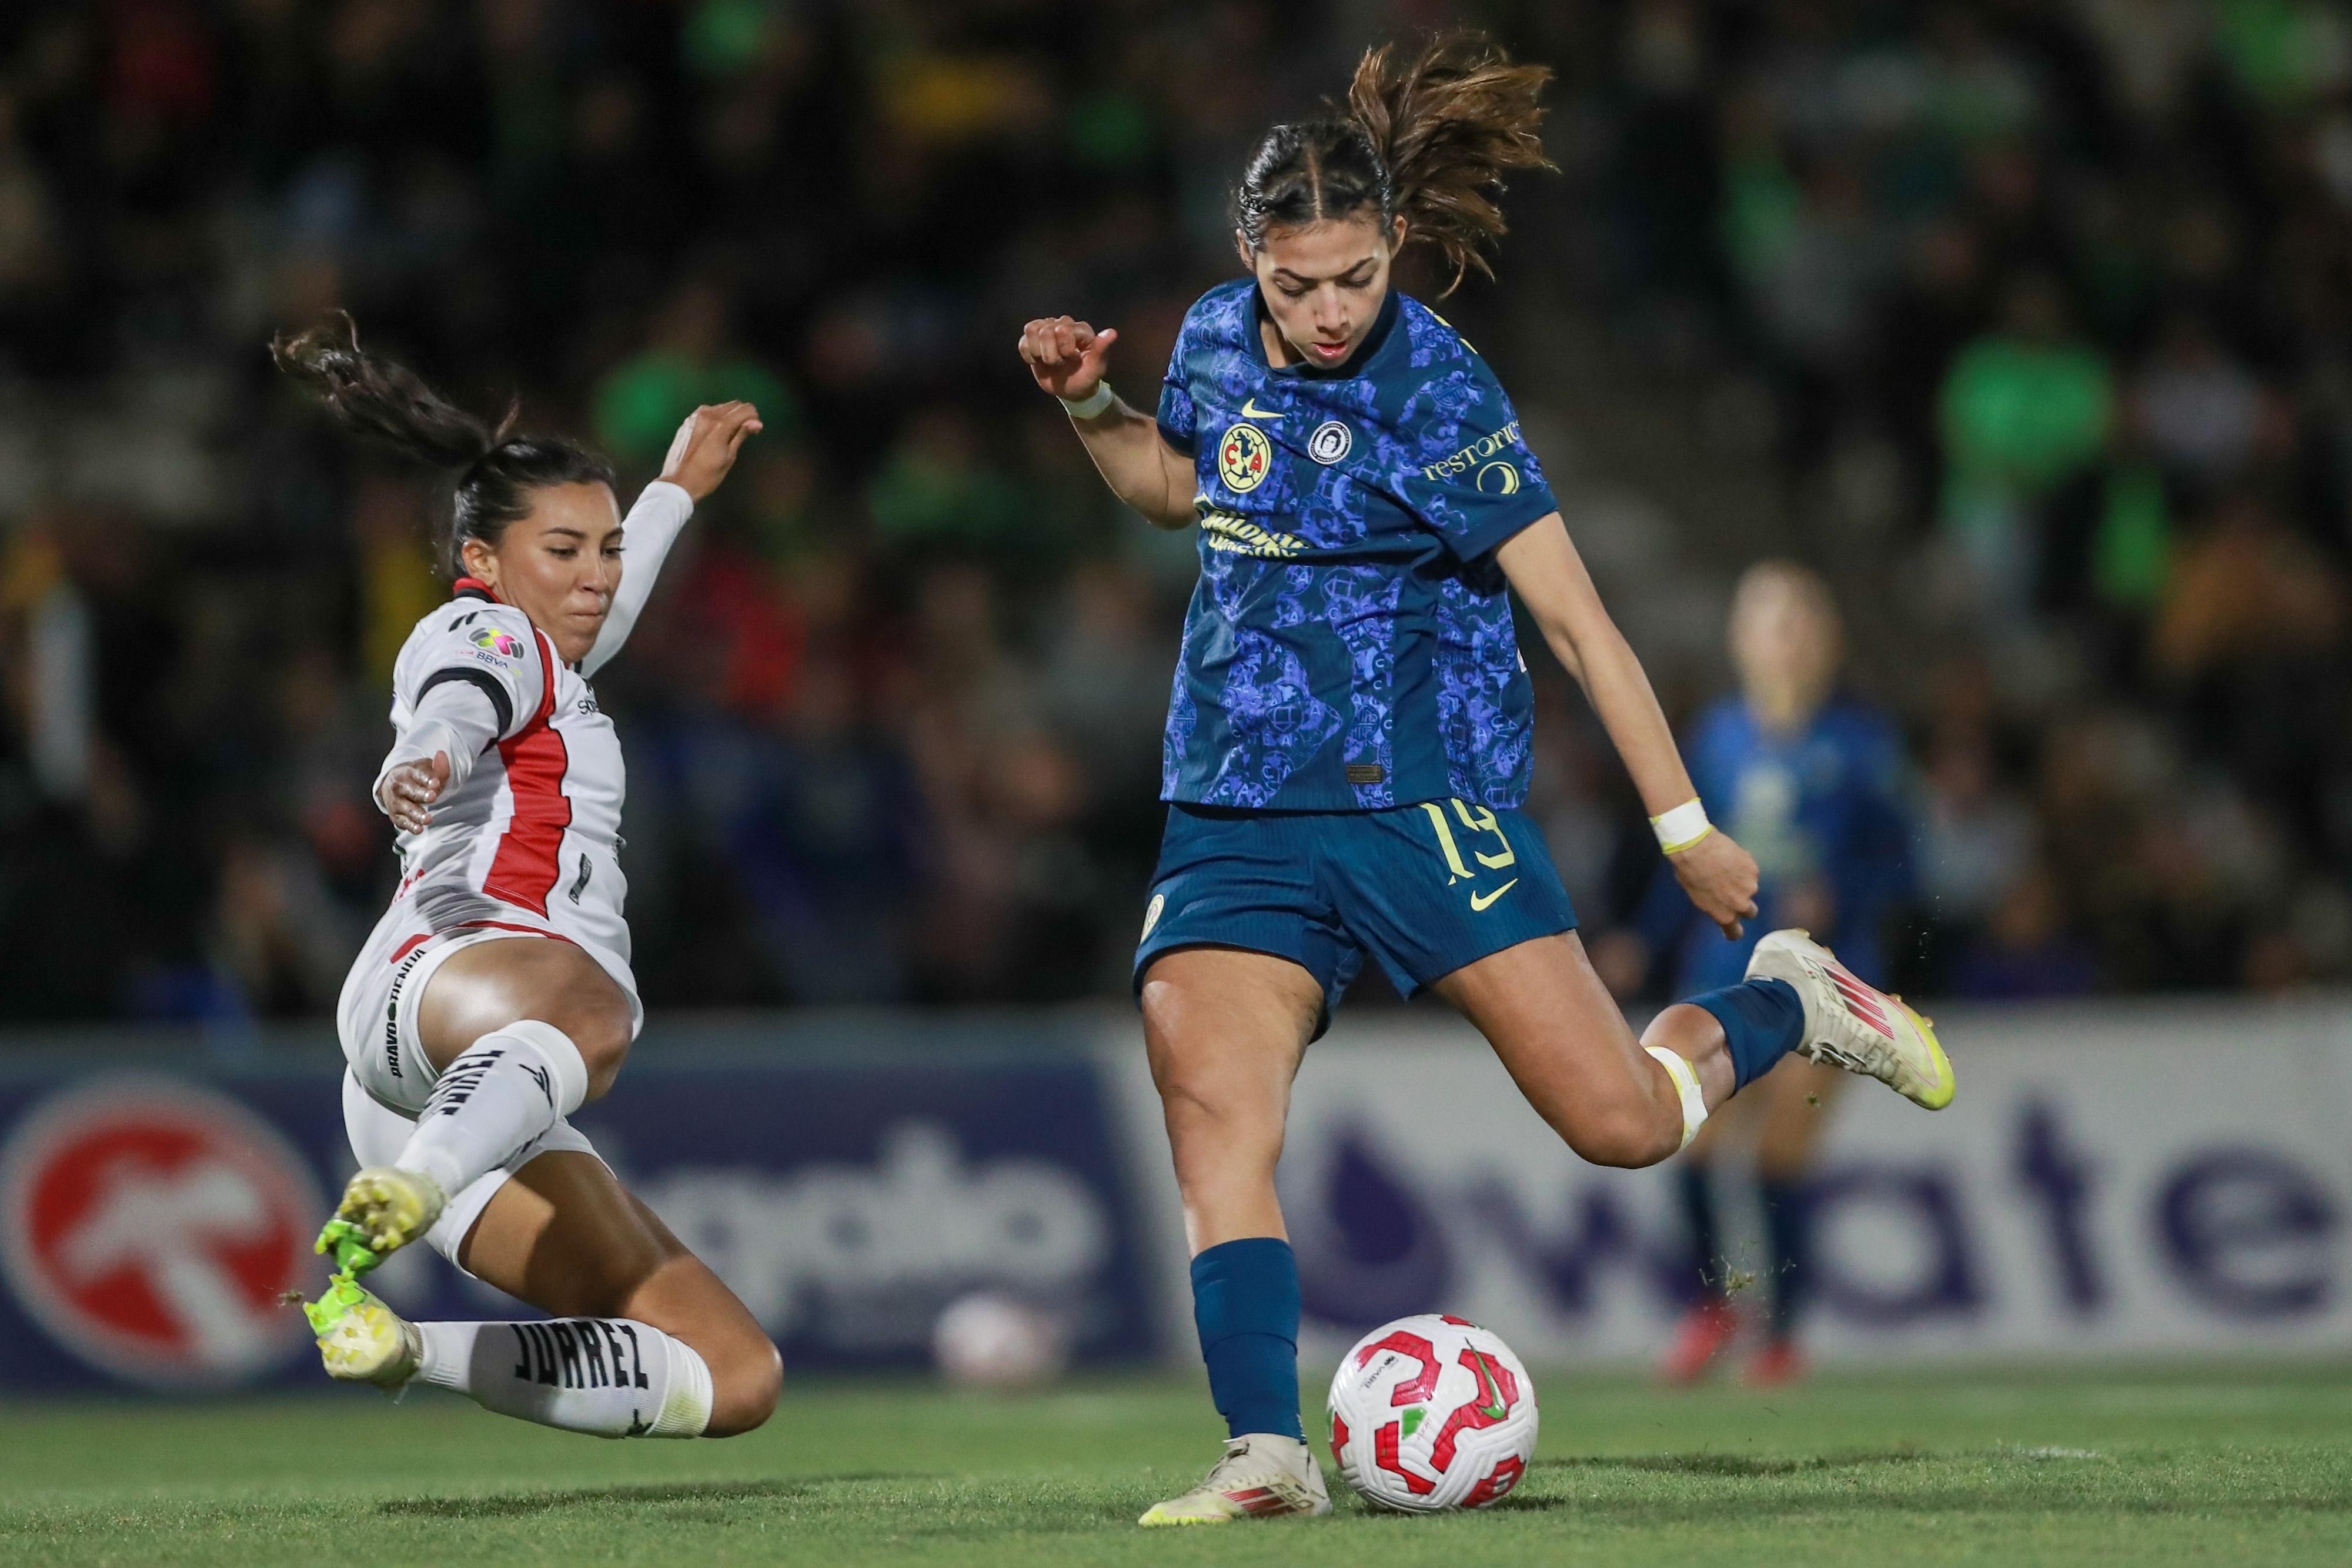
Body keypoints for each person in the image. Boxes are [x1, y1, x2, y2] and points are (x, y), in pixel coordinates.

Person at [1015, 35, 1955, 1529]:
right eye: (1296, 284)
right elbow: (1182, 490)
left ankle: (1791, 997)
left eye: (1355, 280)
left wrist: (1686, 832)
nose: (1327, 314)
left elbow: (1580, 623)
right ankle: (1264, 1453)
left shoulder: (1439, 392)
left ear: (1394, 247)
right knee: (1208, 1103)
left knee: (1626, 1123)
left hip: (1426, 801)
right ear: (1248, 256)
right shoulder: (1203, 336)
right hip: (1234, 810)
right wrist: (1091, 413)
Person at [278, 316, 782, 1441]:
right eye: (566, 551)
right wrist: (431, 756)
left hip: (438, 1091)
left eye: (604, 549)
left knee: (732, 1376)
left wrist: (672, 495)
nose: (598, 574)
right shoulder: (484, 633)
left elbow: (610, 595)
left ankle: (397, 1345)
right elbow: (465, 694)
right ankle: (413, 1195)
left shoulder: (556, 651)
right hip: (453, 977)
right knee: (598, 996)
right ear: (484, 566)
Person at [1629, 563, 1915, 1386]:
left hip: (1829, 984)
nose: (1785, 637)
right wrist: (1638, 940)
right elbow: (1678, 860)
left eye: (1800, 620)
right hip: (1724, 972)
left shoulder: (1862, 744)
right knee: (1685, 1141)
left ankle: (1781, 1337)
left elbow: (1904, 863)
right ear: (1740, 638)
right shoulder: (1716, 737)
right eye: (1769, 619)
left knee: (1780, 1153)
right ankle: (1712, 1308)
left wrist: (1848, 892)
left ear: (1827, 640)